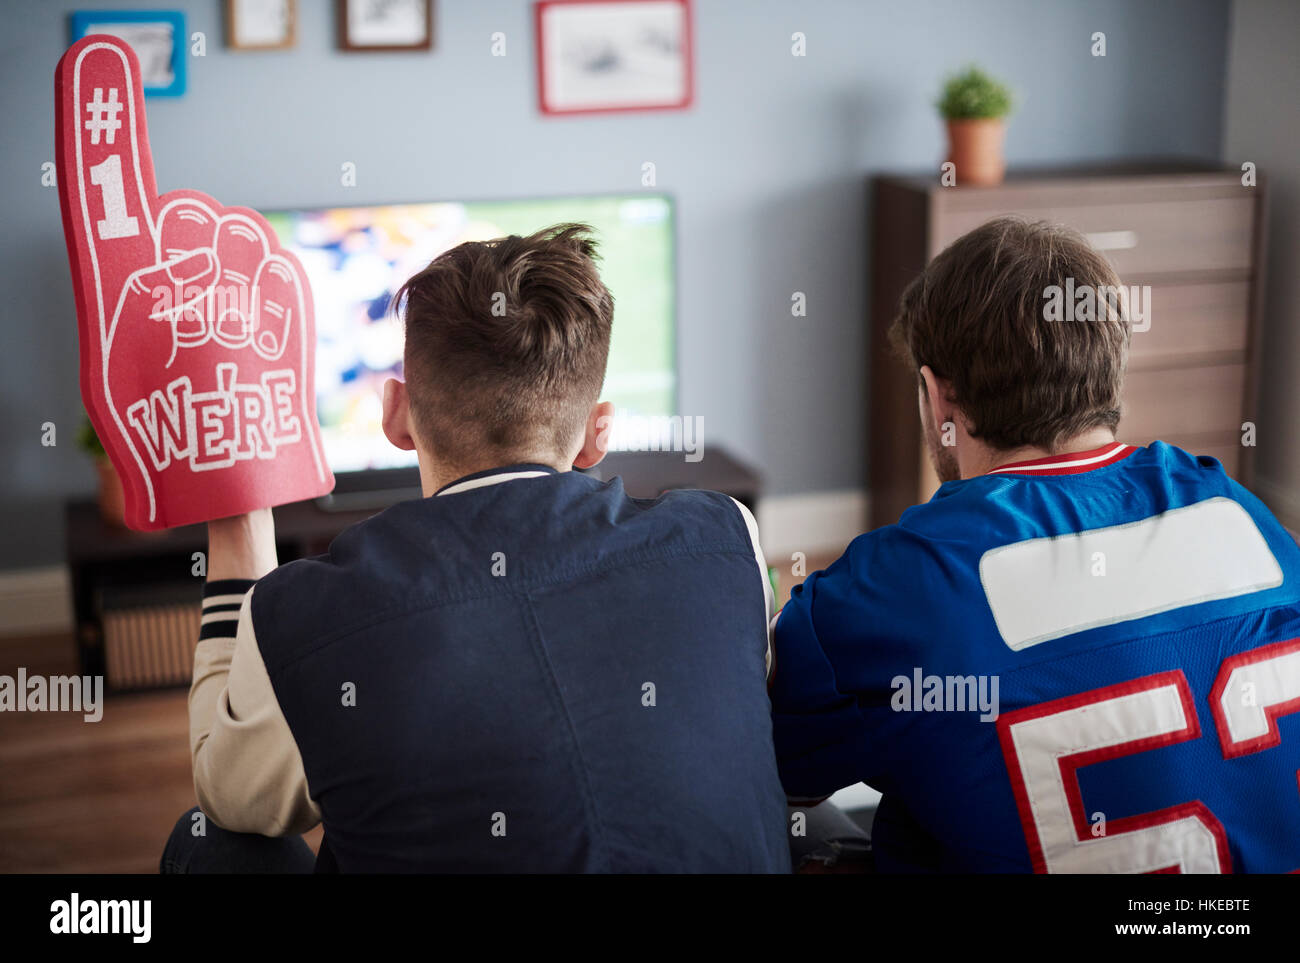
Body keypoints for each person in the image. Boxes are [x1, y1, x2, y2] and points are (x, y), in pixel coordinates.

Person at [163, 224, 789, 873]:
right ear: (597, 432)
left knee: (211, 839)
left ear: (396, 415)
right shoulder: (725, 537)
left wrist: (238, 523)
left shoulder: (305, 610)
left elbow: (227, 793)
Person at [769, 216, 1300, 873]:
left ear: (939, 398)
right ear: (1110, 372)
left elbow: (773, 764)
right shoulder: (1243, 515)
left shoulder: (898, 584)